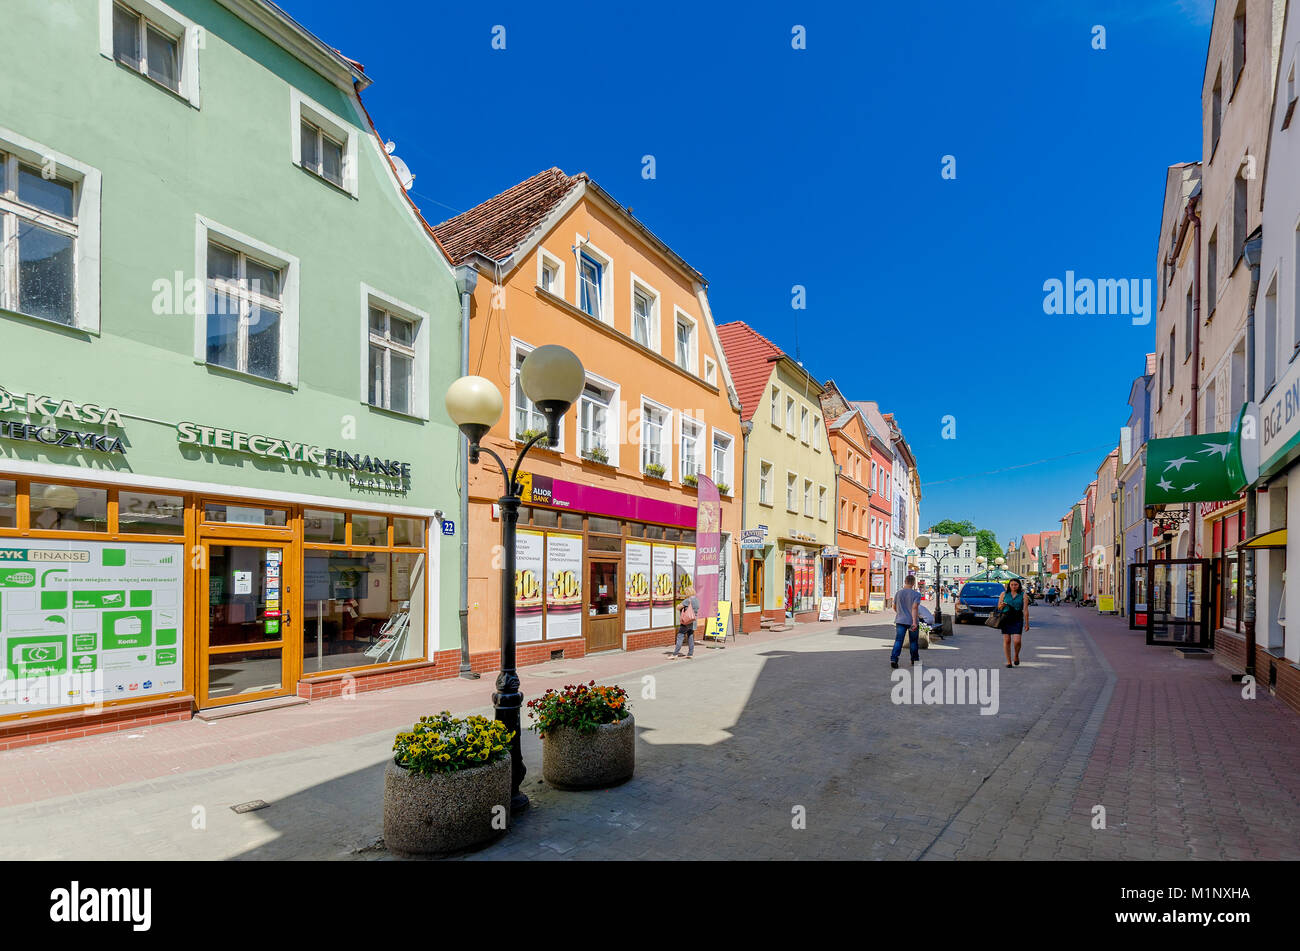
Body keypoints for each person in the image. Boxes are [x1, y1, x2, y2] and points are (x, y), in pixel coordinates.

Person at [890, 575, 923, 669]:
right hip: (912, 621)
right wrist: (914, 622)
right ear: (913, 583)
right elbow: (914, 607)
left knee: (898, 640)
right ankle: (915, 660)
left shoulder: (898, 593)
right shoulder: (916, 594)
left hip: (900, 620)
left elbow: (894, 607)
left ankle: (894, 659)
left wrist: (900, 614)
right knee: (913, 642)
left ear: (905, 581)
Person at [998, 578, 1029, 668]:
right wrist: (1002, 605)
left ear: (1019, 585)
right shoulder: (1004, 594)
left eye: (1016, 585)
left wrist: (1027, 624)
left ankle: (1016, 655)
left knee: (1017, 641)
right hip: (1006, 618)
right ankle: (1008, 661)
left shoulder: (1023, 595)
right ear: (1009, 585)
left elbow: (1026, 610)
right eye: (1012, 585)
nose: (1014, 586)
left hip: (1017, 618)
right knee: (1007, 640)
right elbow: (999, 607)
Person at [671, 582, 700, 659]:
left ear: (688, 593)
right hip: (693, 621)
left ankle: (675, 654)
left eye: (685, 592)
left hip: (686, 622)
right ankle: (690, 654)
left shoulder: (687, 600)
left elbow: (678, 607)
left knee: (680, 636)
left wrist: (679, 605)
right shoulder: (697, 600)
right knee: (690, 637)